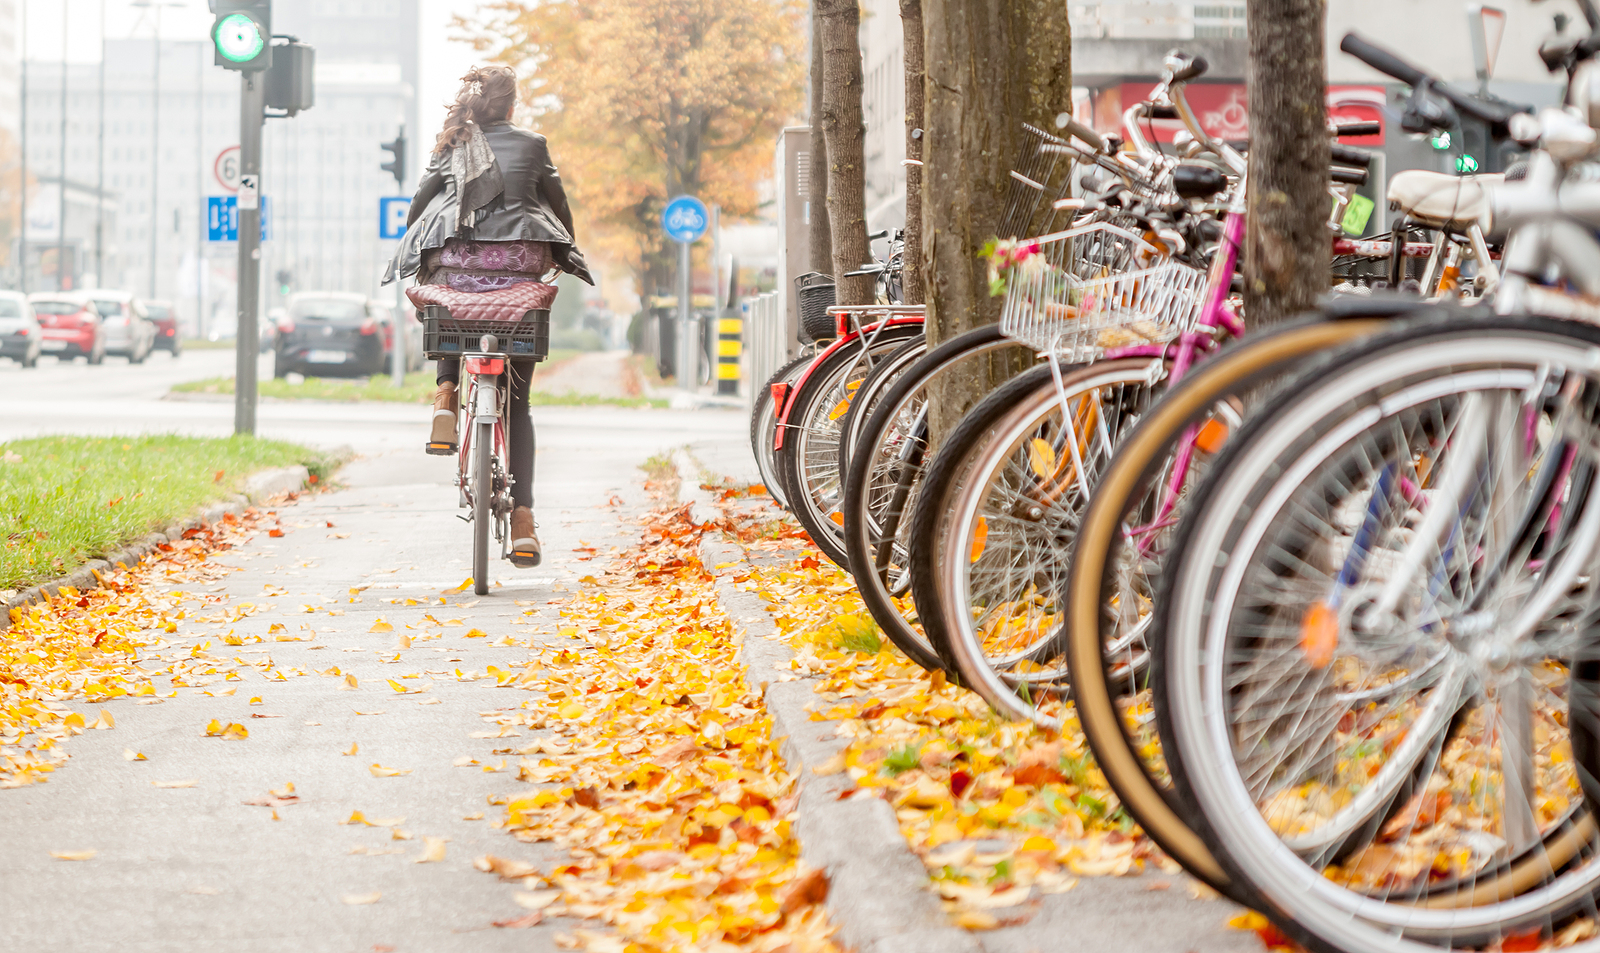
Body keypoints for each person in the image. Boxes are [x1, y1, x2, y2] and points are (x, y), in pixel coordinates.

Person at [384, 65, 593, 568]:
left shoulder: (453, 142)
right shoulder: (534, 145)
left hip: (459, 268)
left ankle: (446, 394)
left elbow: (420, 204)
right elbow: (558, 205)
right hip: (518, 272)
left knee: (447, 294)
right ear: (512, 105)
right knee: (518, 407)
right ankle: (523, 520)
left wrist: (424, 239)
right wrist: (563, 246)